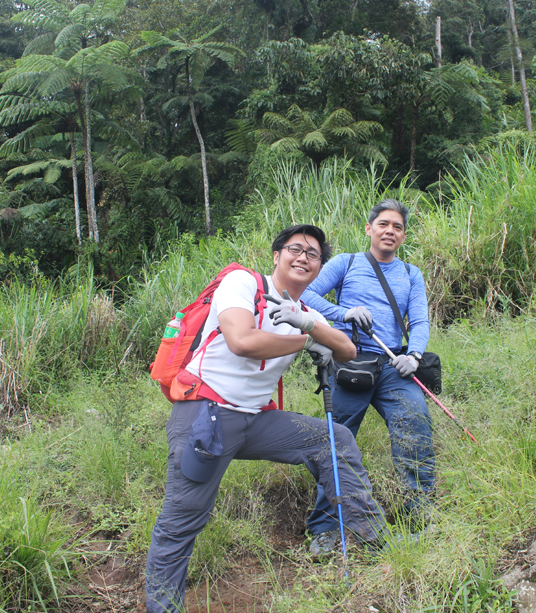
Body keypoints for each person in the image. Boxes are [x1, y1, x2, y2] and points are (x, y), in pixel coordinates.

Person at [145, 224, 388, 613]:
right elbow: (242, 341)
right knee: (181, 524)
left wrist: (308, 323)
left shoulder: (302, 311)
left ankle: (378, 544)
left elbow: (345, 349)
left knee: (334, 438)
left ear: (318, 267)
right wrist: (307, 340)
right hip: (206, 417)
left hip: (255, 423)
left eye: (313, 254)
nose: (303, 257)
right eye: (295, 249)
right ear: (276, 256)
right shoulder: (241, 283)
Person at [301, 199, 435, 557]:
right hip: (350, 363)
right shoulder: (346, 262)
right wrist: (345, 312)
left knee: (415, 427)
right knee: (336, 440)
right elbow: (307, 295)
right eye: (384, 224)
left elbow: (420, 321)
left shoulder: (411, 274)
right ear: (369, 229)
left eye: (398, 227)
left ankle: (420, 517)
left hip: (394, 366)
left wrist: (414, 355)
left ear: (403, 235)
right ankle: (325, 527)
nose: (390, 231)